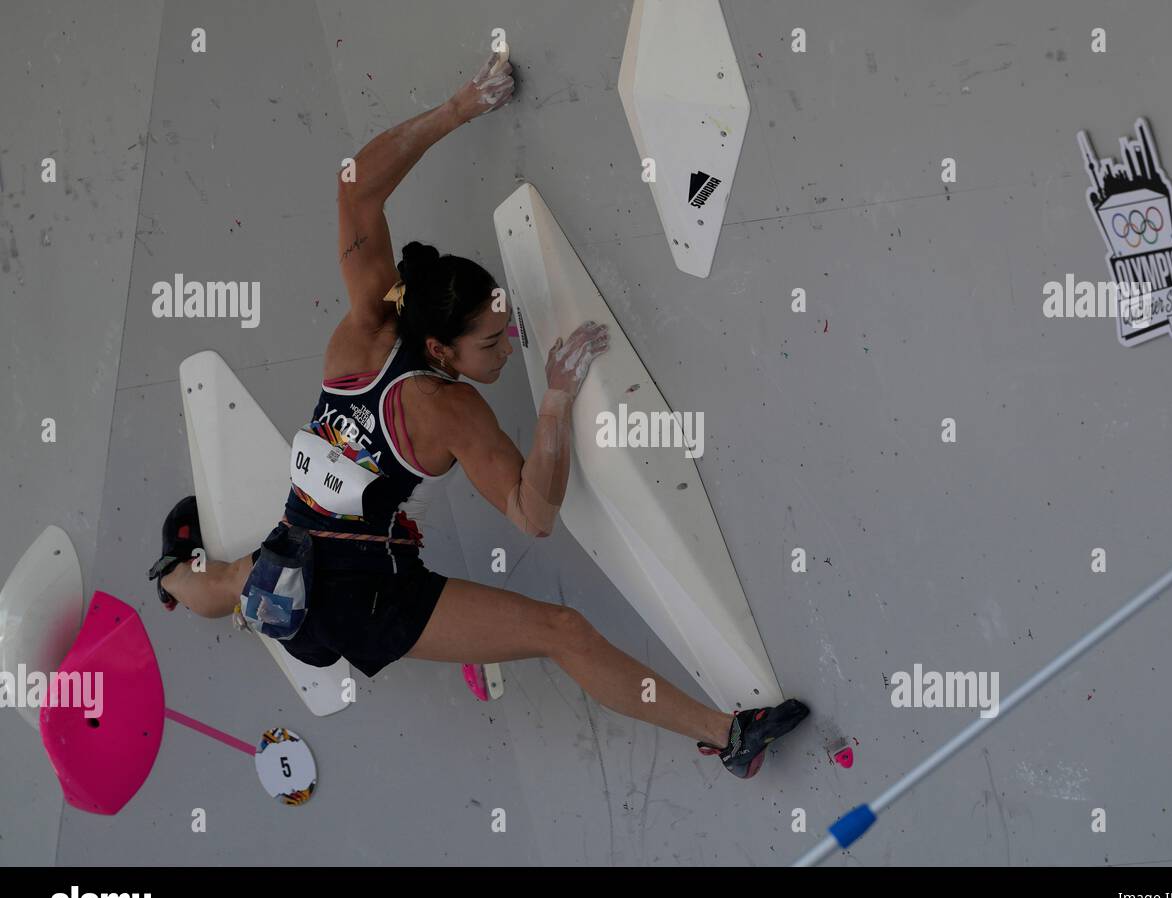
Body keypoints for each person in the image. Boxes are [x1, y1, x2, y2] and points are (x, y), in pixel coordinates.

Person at [148, 50, 807, 778]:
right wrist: (555, 398)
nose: (509, 346)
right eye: (492, 342)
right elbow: (533, 514)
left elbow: (354, 190)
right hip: (366, 599)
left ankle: (173, 577)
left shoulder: (364, 327)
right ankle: (730, 735)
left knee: (221, 581)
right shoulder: (447, 410)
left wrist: (458, 108)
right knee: (563, 632)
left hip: (288, 562)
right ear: (439, 347)